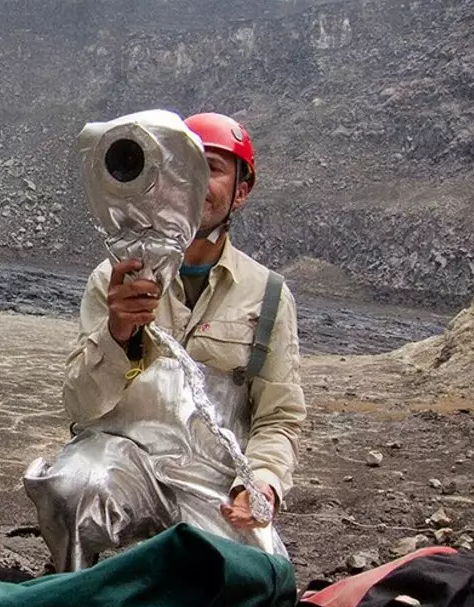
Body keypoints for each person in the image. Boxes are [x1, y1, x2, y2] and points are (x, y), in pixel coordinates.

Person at [26, 112, 306, 568]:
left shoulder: (268, 294)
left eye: (212, 168)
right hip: (122, 458)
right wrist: (118, 331)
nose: (195, 183)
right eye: (185, 167)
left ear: (242, 189)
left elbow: (279, 417)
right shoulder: (112, 280)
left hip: (212, 478)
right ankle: (71, 595)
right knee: (71, 488)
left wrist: (263, 482)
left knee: (260, 575)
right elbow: (79, 407)